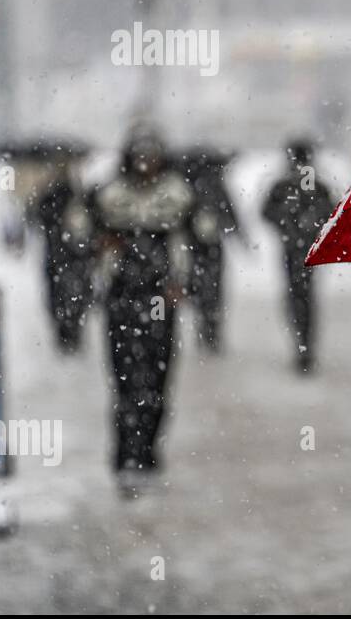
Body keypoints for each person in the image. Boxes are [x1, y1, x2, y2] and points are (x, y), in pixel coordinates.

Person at [89, 123, 194, 496]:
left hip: (159, 300)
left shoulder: (177, 195)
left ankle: (148, 452)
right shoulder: (109, 196)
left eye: (152, 156)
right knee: (125, 382)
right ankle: (125, 457)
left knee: (157, 381)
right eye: (140, 156)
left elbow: (192, 244)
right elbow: (87, 240)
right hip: (122, 298)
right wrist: (102, 246)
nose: (146, 163)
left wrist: (181, 284)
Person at [261, 139, 335, 374]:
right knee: (302, 297)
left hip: (299, 249)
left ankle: (303, 344)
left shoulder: (287, 185)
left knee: (299, 297)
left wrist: (291, 226)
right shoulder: (301, 185)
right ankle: (304, 344)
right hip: (299, 249)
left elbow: (267, 212)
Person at [33, 157, 95, 353]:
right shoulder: (60, 194)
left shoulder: (76, 195)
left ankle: (69, 333)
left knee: (67, 294)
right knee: (66, 294)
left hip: (68, 254)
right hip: (64, 254)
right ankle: (68, 333)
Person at [181, 148, 240, 352]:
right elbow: (230, 213)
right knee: (212, 289)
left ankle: (205, 329)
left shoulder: (189, 182)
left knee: (201, 288)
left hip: (194, 245)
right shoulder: (215, 184)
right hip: (210, 247)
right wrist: (238, 234)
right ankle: (210, 330)